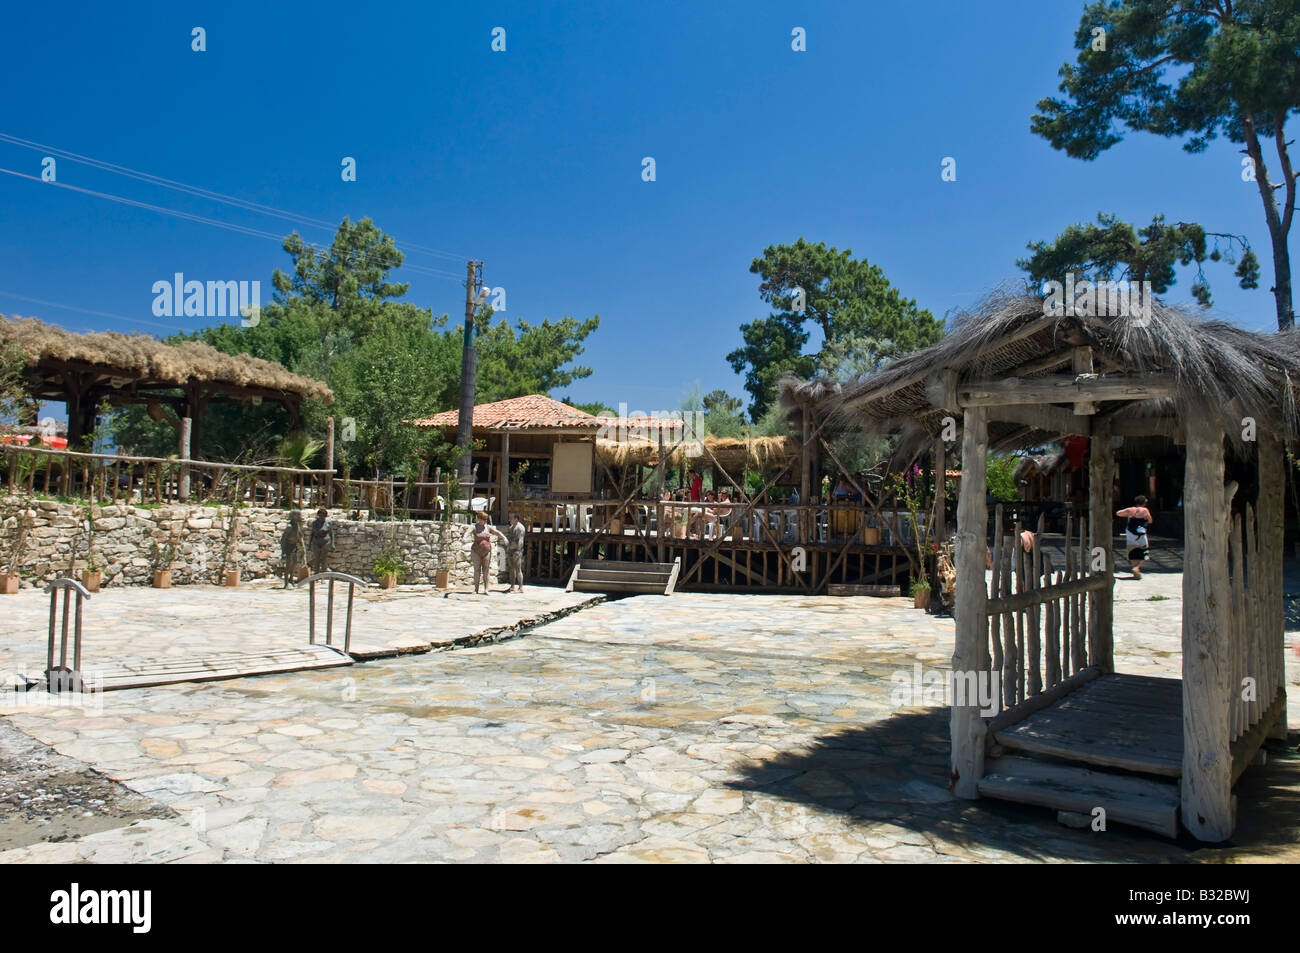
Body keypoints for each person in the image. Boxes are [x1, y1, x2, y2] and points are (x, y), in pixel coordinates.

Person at [471, 510, 508, 594]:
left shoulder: (488, 527)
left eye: (485, 520)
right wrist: (464, 537)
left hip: (486, 551)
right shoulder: (474, 527)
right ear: (479, 519)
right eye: (483, 519)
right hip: (476, 551)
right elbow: (467, 532)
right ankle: (476, 589)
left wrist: (504, 537)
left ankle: (486, 589)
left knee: (486, 570)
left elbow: (497, 532)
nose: (484, 521)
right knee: (477, 570)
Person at [1116, 494, 1153, 578]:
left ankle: (1136, 571)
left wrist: (1128, 514)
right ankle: (1136, 568)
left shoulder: (1130, 510)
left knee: (1132, 551)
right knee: (1144, 551)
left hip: (1130, 533)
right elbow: (1150, 520)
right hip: (1141, 533)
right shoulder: (1145, 510)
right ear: (1143, 503)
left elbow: (1118, 513)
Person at [280, 510, 306, 588]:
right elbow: (283, 539)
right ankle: (286, 583)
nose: (299, 517)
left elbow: (298, 536)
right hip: (288, 546)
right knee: (288, 565)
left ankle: (291, 579)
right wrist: (283, 551)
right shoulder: (289, 527)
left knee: (294, 563)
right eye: (297, 515)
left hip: (294, 546)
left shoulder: (297, 525)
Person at [307, 508, 333, 574]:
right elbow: (312, 534)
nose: (322, 517)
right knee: (317, 558)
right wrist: (309, 544)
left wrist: (332, 544)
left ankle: (323, 576)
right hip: (316, 541)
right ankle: (316, 573)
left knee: (324, 559)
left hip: (325, 542)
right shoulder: (315, 523)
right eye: (320, 515)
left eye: (323, 515)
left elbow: (331, 534)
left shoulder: (328, 524)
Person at [505, 512, 526, 593]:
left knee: (518, 569)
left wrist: (518, 551)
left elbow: (521, 541)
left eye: (511, 518)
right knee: (511, 569)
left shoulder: (520, 528)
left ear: (516, 519)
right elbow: (510, 538)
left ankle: (520, 588)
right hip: (510, 550)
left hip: (517, 551)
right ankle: (512, 586)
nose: (509, 519)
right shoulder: (511, 527)